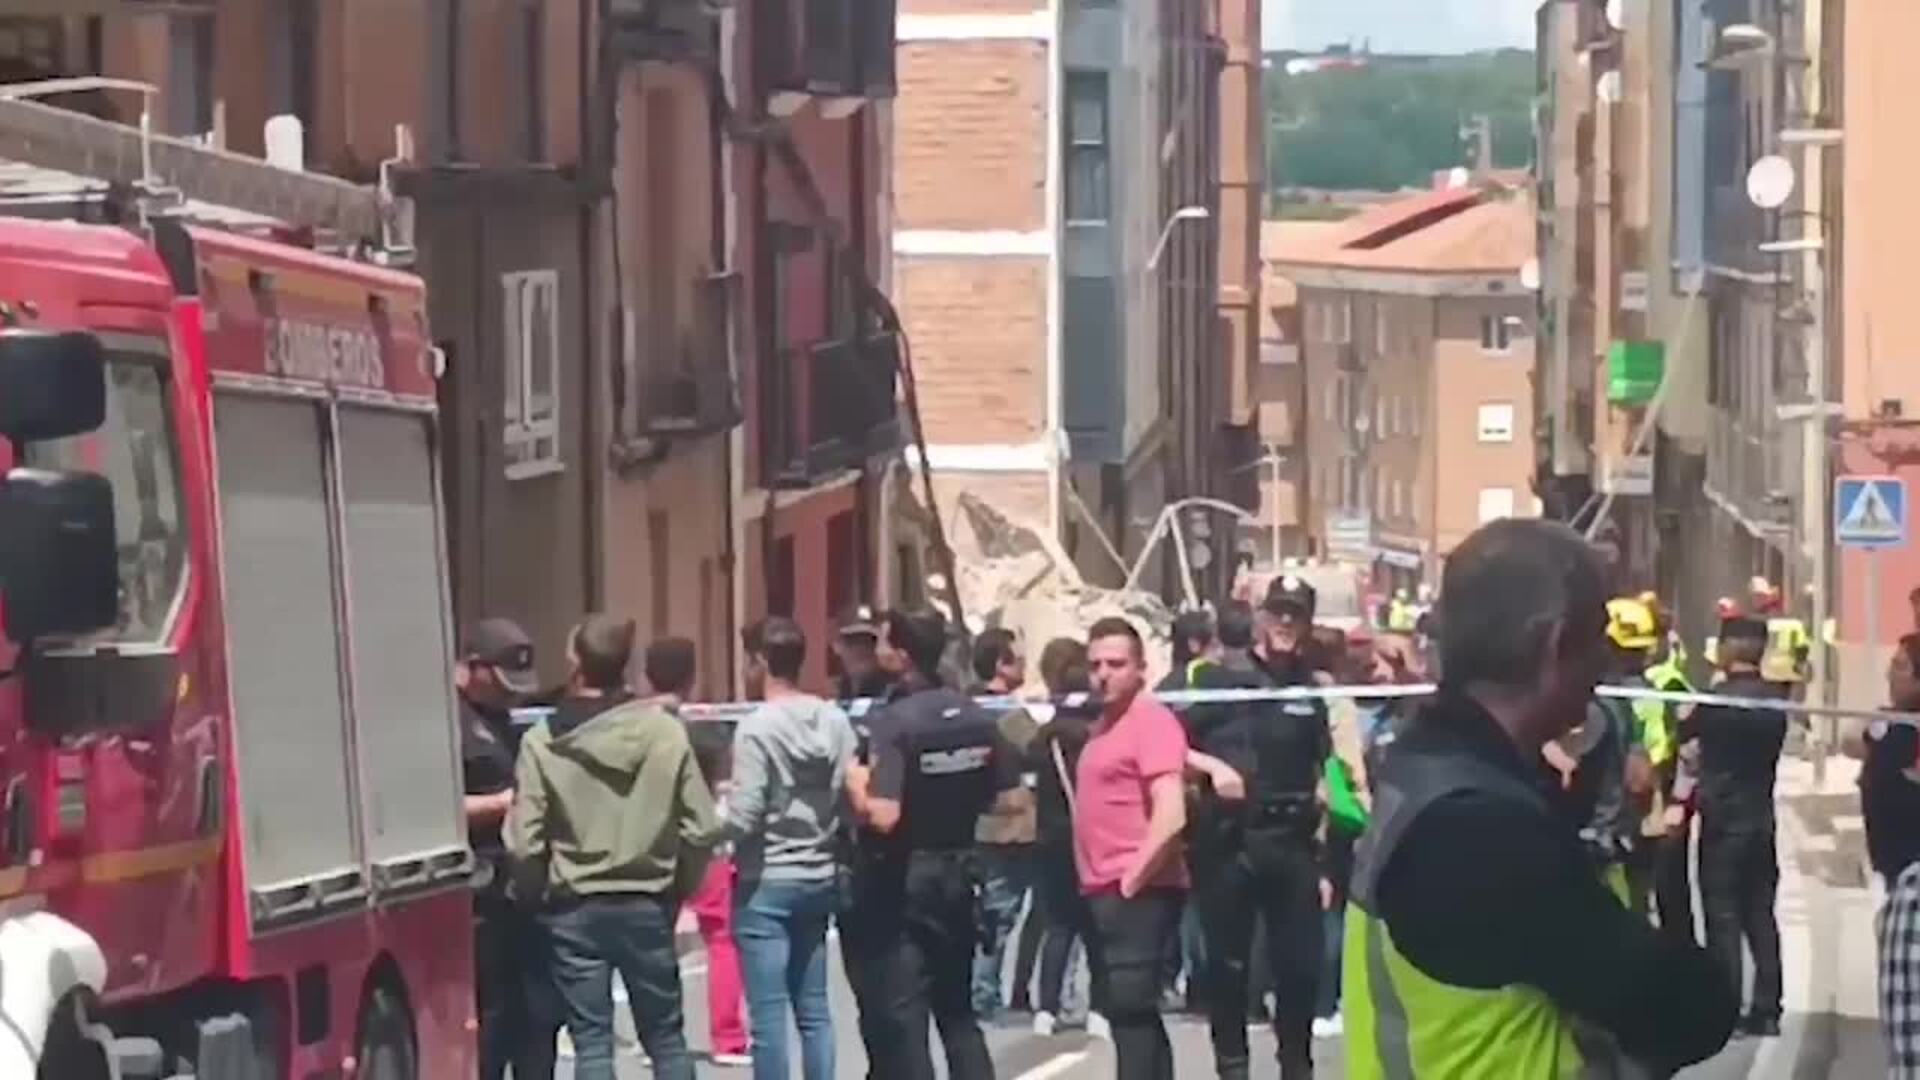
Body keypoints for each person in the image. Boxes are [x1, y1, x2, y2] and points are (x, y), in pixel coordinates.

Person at [1343, 519, 1737, 1077]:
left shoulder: (1421, 768)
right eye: (1599, 636)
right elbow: (1681, 1007)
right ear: (1555, 645)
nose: (1606, 661)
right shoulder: (1479, 829)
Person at [505, 615, 723, 1080]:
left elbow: (525, 842)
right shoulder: (664, 733)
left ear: (575, 662)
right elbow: (702, 827)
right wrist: (676, 886)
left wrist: (534, 893)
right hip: (648, 898)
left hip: (574, 905)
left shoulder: (544, 741)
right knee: (666, 1041)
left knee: (593, 1045)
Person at [850, 608, 1027, 1080]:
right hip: (960, 872)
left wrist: (855, 786)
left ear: (902, 655)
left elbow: (885, 816)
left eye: (884, 643)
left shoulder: (894, 722)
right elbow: (1011, 799)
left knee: (906, 1020)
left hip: (906, 879)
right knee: (958, 1014)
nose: (877, 651)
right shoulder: (975, 715)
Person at [1188, 591, 1327, 1080]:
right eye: (1279, 614)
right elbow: (1166, 742)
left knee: (1300, 971)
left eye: (1297, 615)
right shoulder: (1218, 680)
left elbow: (1323, 762)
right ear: (1261, 618)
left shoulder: (1309, 687)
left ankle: (1296, 1067)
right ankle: (1232, 1069)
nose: (1286, 623)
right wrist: (1211, 765)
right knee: (1228, 969)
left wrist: (1328, 840)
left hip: (1291, 839)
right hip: (1232, 840)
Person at [725, 616, 857, 1080]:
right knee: (815, 1009)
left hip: (766, 880)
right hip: (818, 872)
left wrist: (707, 827)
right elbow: (848, 794)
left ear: (760, 662)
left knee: (768, 1016)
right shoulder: (835, 720)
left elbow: (744, 815)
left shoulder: (756, 729)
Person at [1076, 616, 1193, 1080]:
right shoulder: (1105, 724)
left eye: (1116, 664)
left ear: (1141, 669)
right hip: (1104, 887)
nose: (1104, 673)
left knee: (1130, 1013)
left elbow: (1171, 812)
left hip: (1138, 890)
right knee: (1133, 1015)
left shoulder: (1150, 719)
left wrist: (1132, 879)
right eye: (1096, 664)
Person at [644, 636, 751, 1069]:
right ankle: (727, 1038)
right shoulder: (705, 727)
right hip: (702, 846)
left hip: (649, 843)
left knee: (650, 942)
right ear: (692, 677)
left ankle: (658, 1035)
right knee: (721, 940)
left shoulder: (633, 727)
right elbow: (724, 786)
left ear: (646, 675)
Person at [459, 617, 556, 1080]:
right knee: (493, 1018)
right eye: (502, 683)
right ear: (472, 668)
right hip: (479, 895)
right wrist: (504, 804)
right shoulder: (446, 724)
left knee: (537, 1018)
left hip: (523, 891)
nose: (512, 695)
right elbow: (433, 810)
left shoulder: (505, 723)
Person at [1681, 616, 1785, 1039]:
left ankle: (1727, 1009)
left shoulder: (1713, 701)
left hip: (1723, 822)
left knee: (1723, 916)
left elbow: (1683, 734)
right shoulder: (1776, 704)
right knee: (1760, 915)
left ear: (1727, 650)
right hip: (1761, 818)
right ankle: (1767, 1008)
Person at [1541, 599, 1644, 907]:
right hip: (1611, 845)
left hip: (1590, 850)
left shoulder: (1594, 710)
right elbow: (1640, 779)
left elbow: (1566, 764)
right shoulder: (1620, 705)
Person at [1028, 637, 1104, 1035]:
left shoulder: (1043, 740)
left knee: (1058, 926)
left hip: (1052, 839)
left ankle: (1046, 1008)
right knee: (1095, 926)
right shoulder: (1098, 738)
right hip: (1092, 839)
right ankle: (1099, 1011)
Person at [967, 628, 1042, 1022]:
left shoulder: (966, 703)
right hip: (1007, 824)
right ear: (1000, 664)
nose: (1025, 664)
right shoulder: (1003, 711)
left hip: (975, 820)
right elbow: (1037, 746)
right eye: (1018, 657)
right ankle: (983, 991)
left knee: (989, 910)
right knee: (1000, 911)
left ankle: (987, 989)